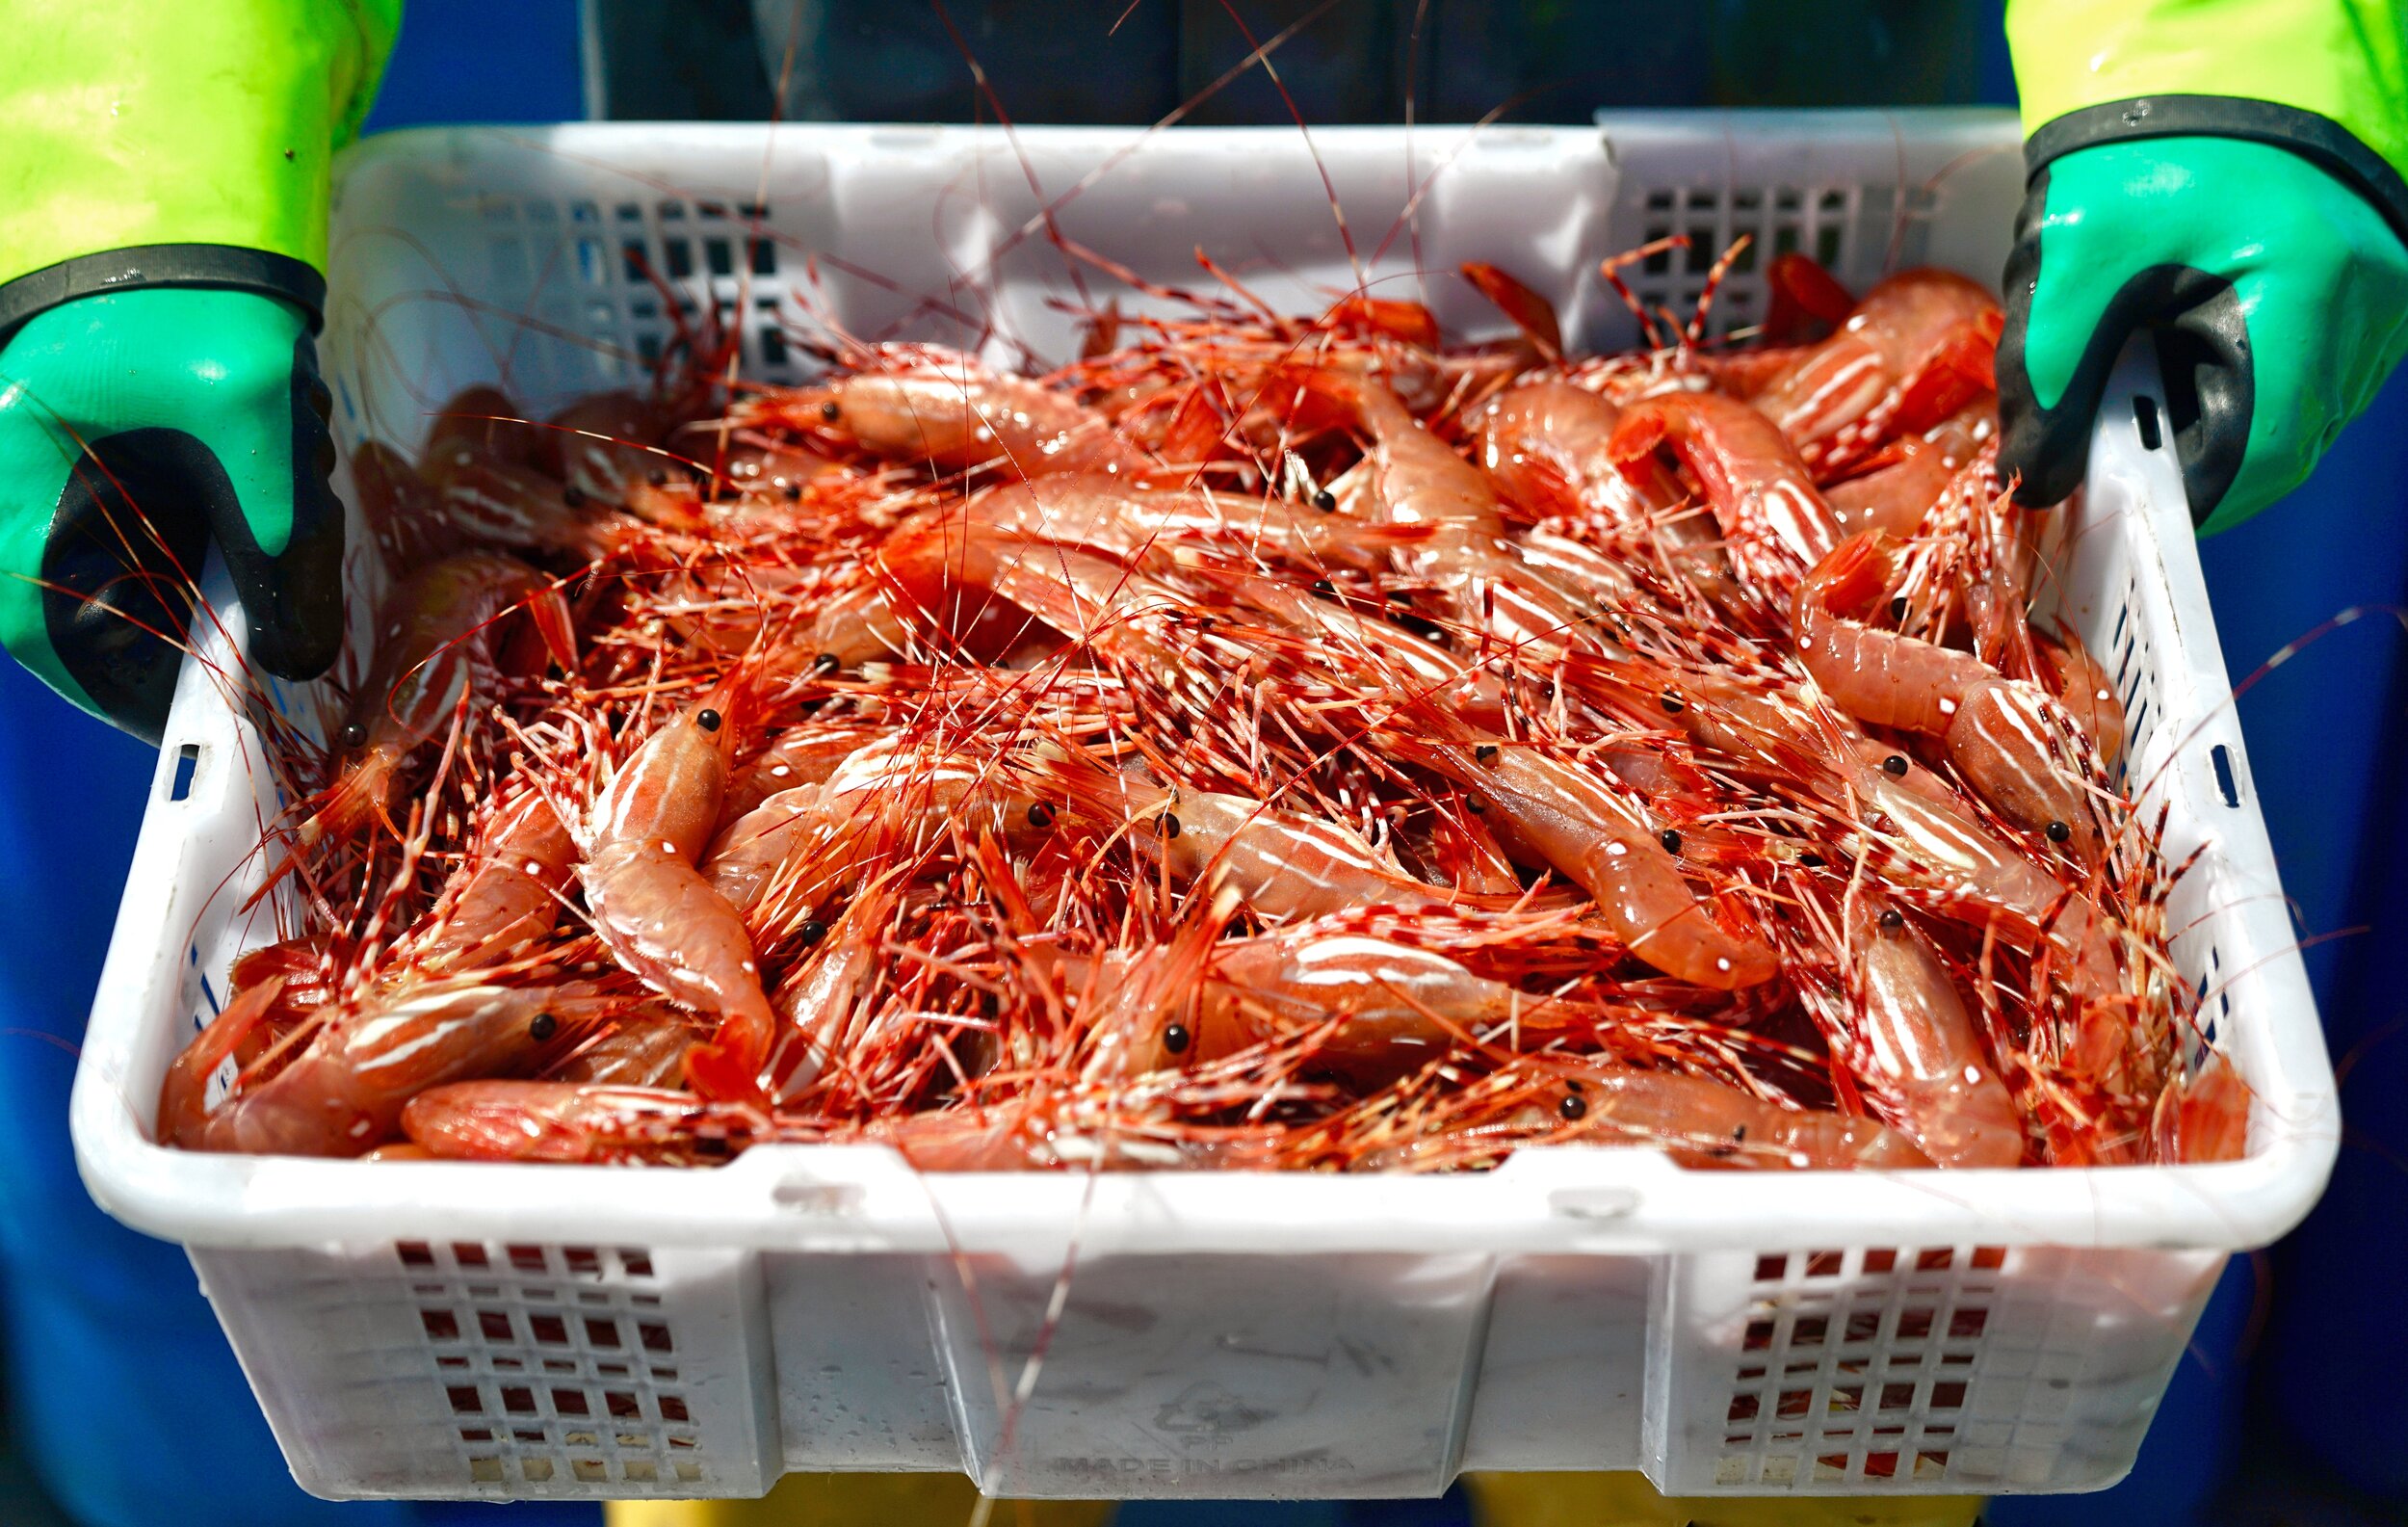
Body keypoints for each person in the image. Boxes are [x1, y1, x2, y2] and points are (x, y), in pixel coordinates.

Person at [0, 4, 2400, 1526]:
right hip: (833, 100)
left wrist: (2245, 48)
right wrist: (117, 188)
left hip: (1743, 73)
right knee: (798, 1421)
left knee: (1781, 1409)